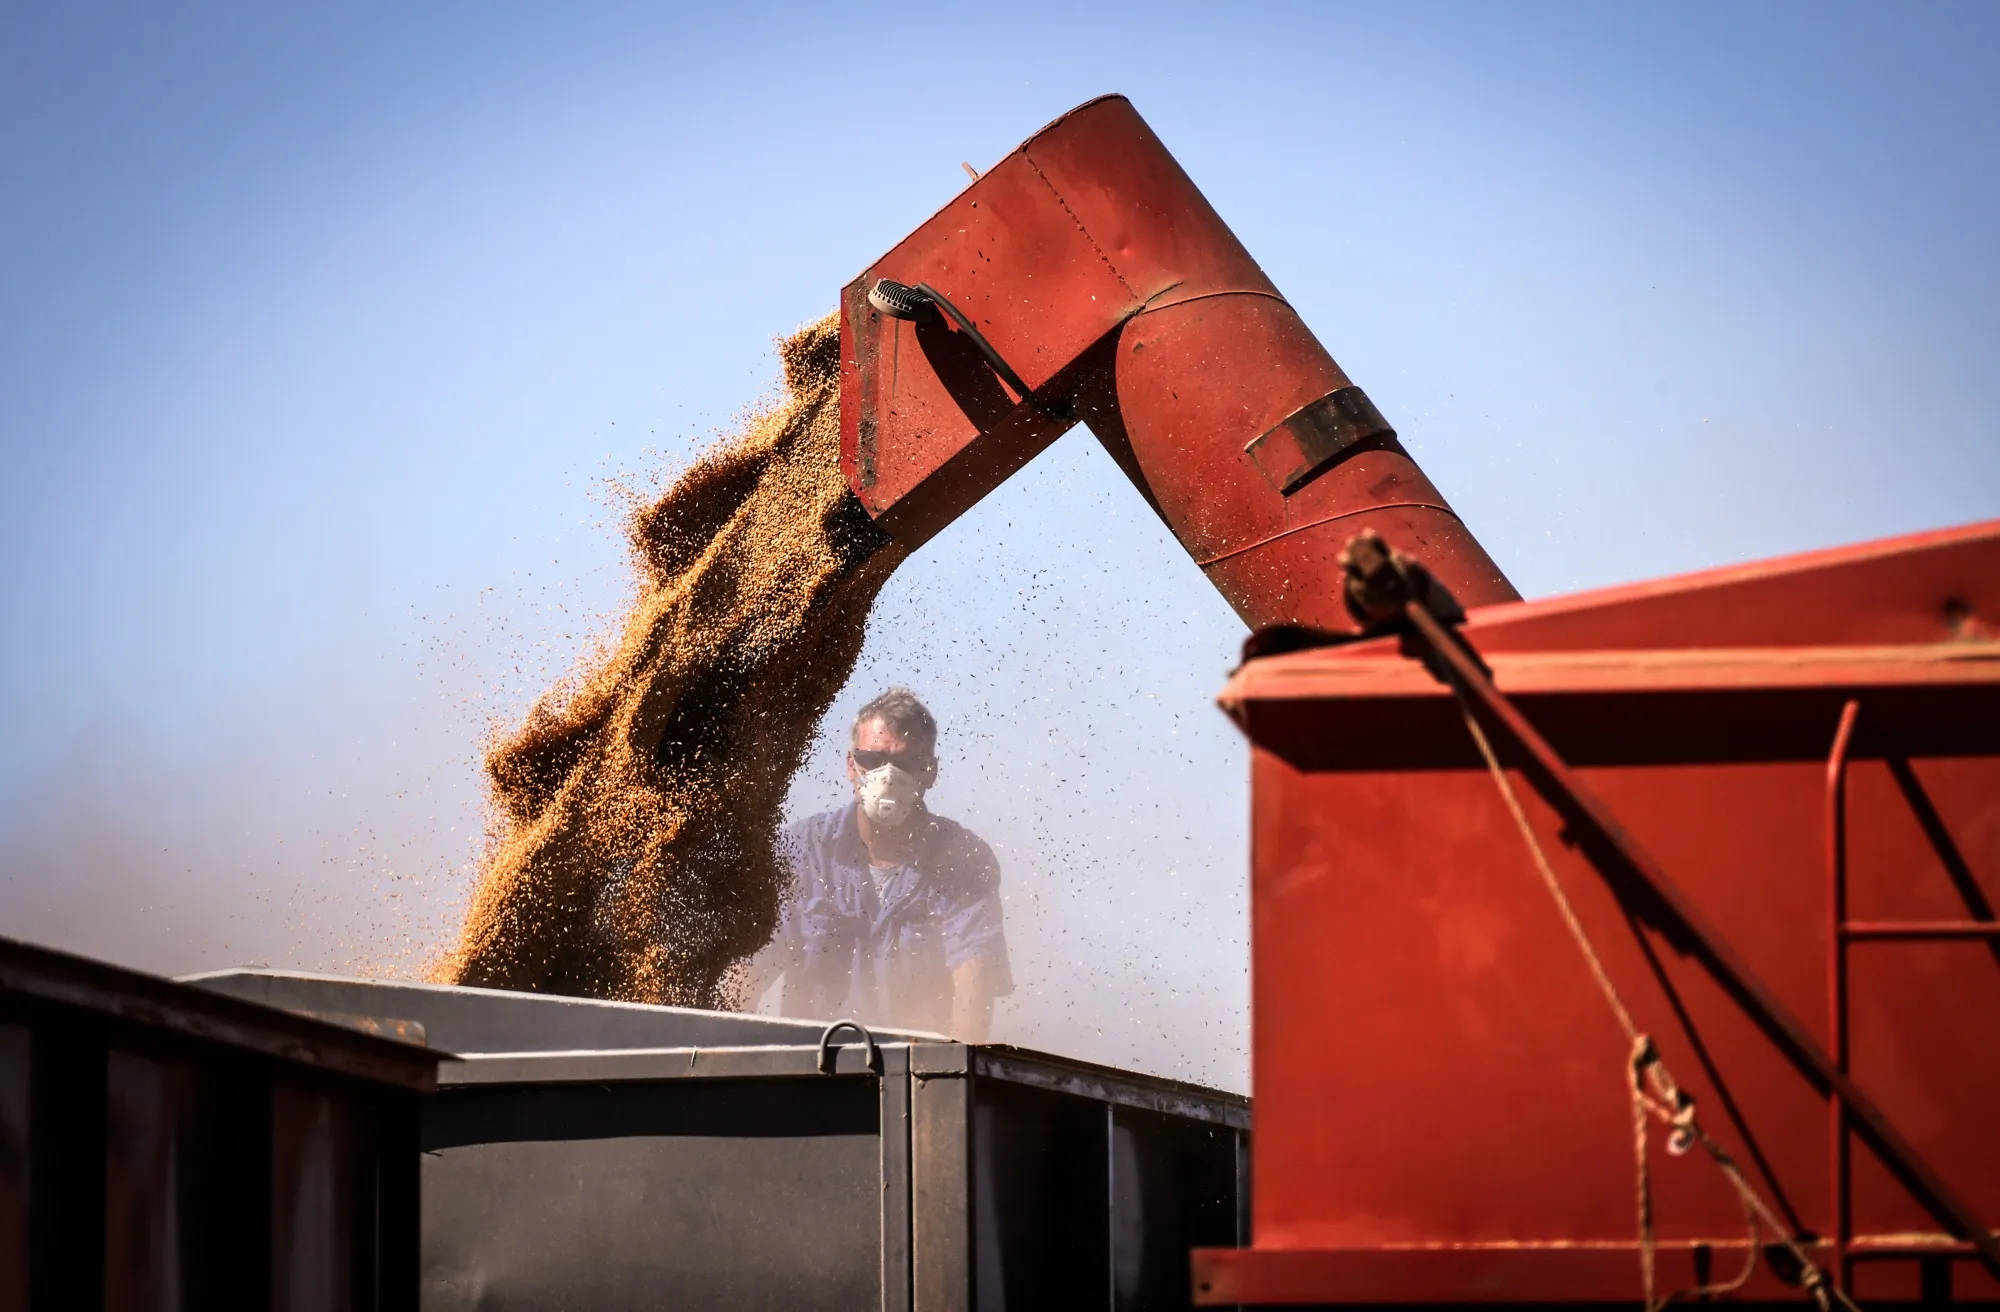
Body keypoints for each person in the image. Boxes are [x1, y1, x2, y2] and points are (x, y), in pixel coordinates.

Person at [748, 687, 1011, 1039]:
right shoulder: (803, 850)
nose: (887, 776)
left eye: (907, 763)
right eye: (873, 760)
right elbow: (749, 967)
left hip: (917, 1064)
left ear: (930, 772)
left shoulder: (962, 859)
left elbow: (973, 982)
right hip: (808, 1065)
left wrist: (952, 1067)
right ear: (851, 765)